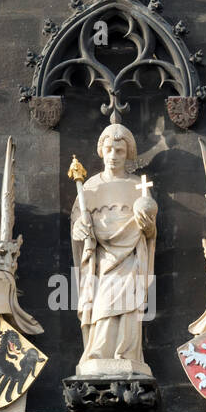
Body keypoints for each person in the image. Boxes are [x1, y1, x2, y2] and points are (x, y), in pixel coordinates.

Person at [71, 122, 157, 376]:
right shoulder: (89, 188)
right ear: (102, 151)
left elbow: (150, 234)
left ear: (128, 153)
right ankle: (99, 352)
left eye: (119, 151)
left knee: (129, 308)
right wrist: (81, 231)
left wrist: (146, 225)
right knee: (103, 307)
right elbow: (78, 231)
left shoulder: (138, 187)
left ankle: (127, 354)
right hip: (102, 262)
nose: (113, 156)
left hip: (131, 259)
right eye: (109, 149)